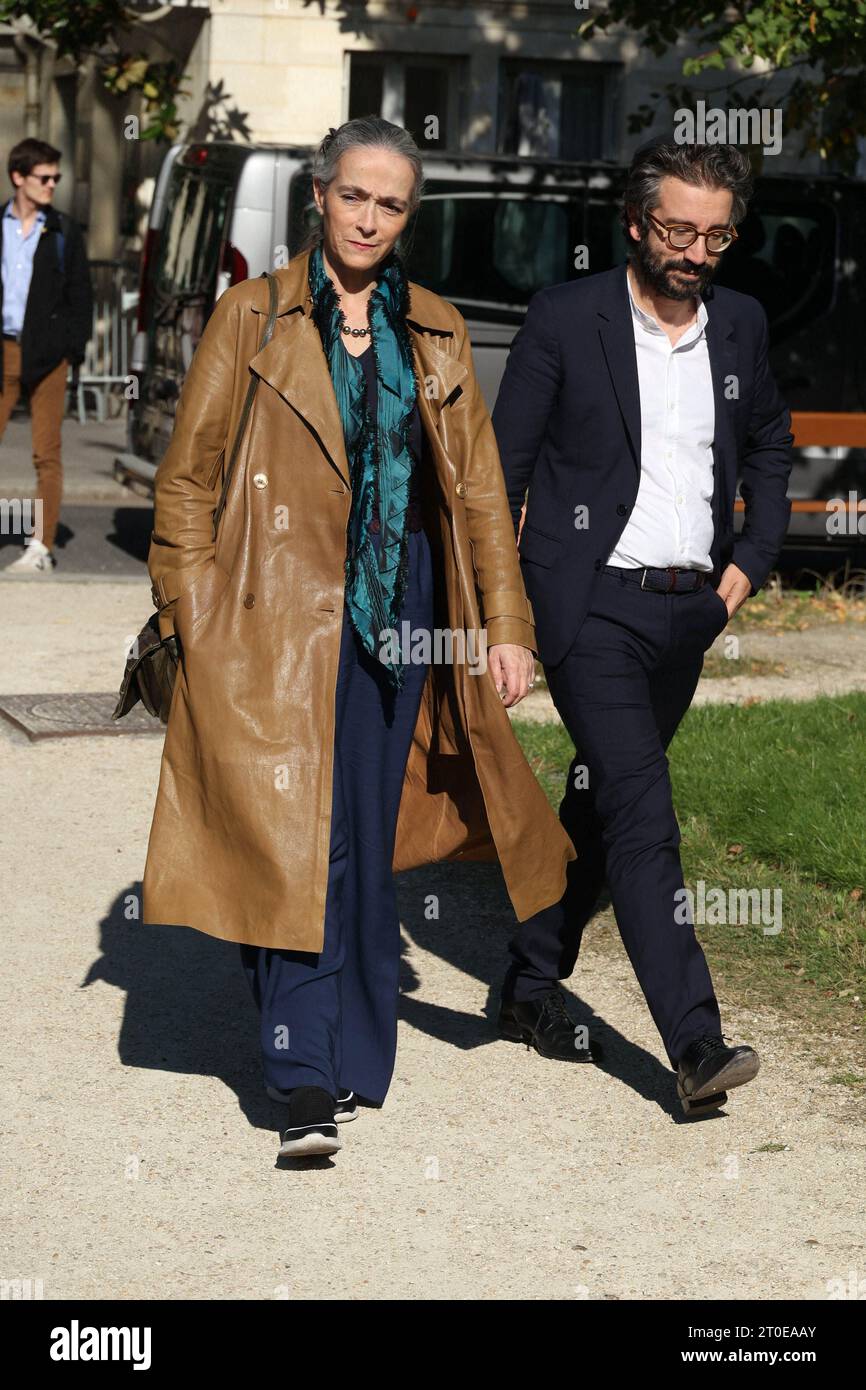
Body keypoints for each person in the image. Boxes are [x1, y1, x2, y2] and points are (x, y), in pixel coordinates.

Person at [141, 117, 576, 1160]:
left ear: (405, 216)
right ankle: (297, 1075)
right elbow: (187, 480)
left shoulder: (431, 329)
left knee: (363, 849)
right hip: (271, 617)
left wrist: (504, 630)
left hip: (404, 618)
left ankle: (345, 1052)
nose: (368, 218)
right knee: (303, 839)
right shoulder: (250, 316)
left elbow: (476, 494)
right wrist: (191, 615)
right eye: (353, 196)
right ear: (319, 198)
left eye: (389, 204)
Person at [491, 139, 793, 1115]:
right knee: (642, 812)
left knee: (599, 803)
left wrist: (741, 573)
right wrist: (501, 616)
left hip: (691, 611)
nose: (692, 251)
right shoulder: (563, 319)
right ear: (633, 223)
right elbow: (499, 474)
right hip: (589, 607)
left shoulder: (739, 325)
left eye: (713, 234)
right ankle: (694, 1041)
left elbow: (771, 454)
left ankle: (529, 987)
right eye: (674, 229)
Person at [1, 138, 92, 573]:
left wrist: (71, 348)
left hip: (49, 354)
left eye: (57, 177)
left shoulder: (63, 231)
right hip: (5, 349)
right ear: (19, 177)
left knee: (47, 452)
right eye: (44, 177)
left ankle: (41, 546)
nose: (52, 183)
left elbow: (81, 297)